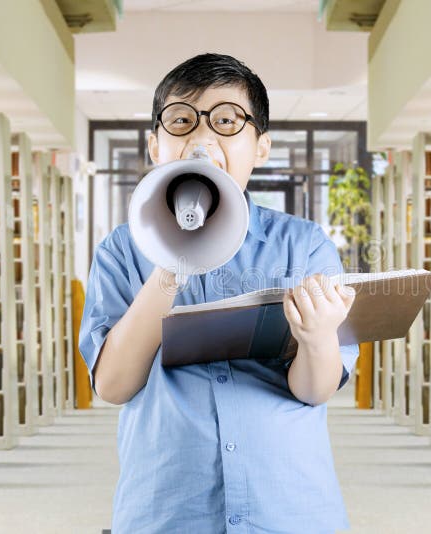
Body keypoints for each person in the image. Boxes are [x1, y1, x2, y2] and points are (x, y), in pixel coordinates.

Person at [79, 53, 360, 533]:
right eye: (181, 120)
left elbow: (313, 391)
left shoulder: (304, 245)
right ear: (155, 145)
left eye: (227, 121)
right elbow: (113, 386)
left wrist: (316, 337)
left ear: (262, 146)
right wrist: (171, 262)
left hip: (288, 510)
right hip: (167, 510)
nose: (202, 138)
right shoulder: (121, 250)